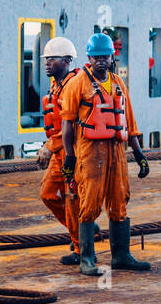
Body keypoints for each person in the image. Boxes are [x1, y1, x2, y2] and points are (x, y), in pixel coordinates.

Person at [60, 32, 151, 275]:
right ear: (89, 57)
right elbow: (67, 125)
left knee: (120, 200)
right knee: (89, 201)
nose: (101, 61)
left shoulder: (119, 84)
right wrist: (70, 157)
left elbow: (129, 122)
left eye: (105, 56)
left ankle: (121, 256)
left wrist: (140, 154)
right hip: (90, 152)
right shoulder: (77, 84)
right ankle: (87, 259)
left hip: (117, 152)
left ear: (112, 57)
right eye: (96, 57)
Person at [36, 36, 82, 263]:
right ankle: (83, 230)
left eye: (52, 59)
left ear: (66, 60)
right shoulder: (57, 84)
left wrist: (48, 146)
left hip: (71, 153)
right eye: (46, 59)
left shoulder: (73, 87)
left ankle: (81, 248)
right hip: (58, 153)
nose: (46, 63)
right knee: (47, 194)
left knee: (72, 199)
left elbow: (71, 126)